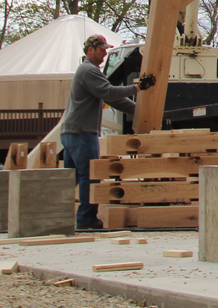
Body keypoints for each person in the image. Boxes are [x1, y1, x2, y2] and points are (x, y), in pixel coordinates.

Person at [64, 34, 152, 229]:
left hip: (73, 132)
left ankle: (54, 214)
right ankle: (86, 219)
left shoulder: (90, 71)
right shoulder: (88, 70)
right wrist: (138, 88)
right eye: (102, 49)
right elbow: (109, 92)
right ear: (90, 50)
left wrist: (140, 112)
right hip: (82, 133)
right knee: (91, 176)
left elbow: (113, 99)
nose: (105, 53)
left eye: (105, 49)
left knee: (71, 179)